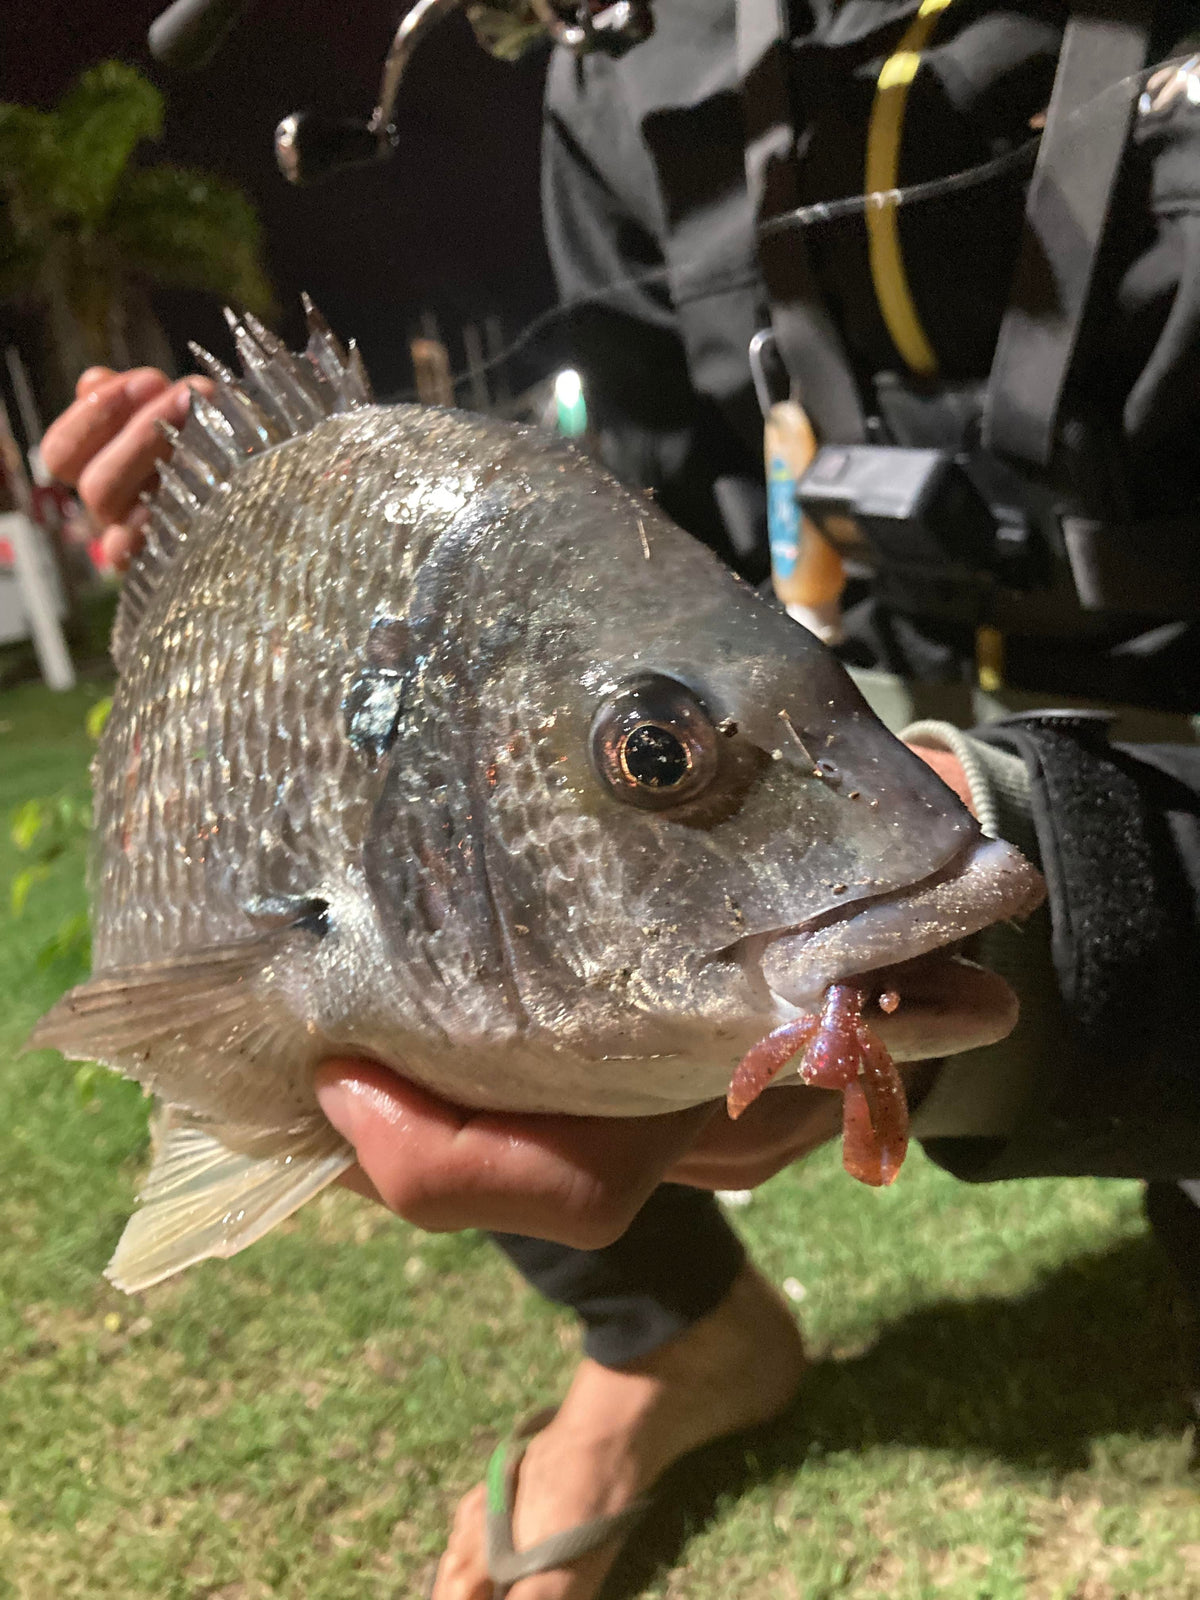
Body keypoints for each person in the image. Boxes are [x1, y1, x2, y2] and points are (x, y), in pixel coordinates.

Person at [40, 3, 1200, 1594]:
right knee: (464, 1010)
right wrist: (255, 546)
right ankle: (671, 1334)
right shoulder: (624, 62)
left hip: (1049, 751)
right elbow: (657, 550)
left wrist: (1063, 849)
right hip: (876, 730)